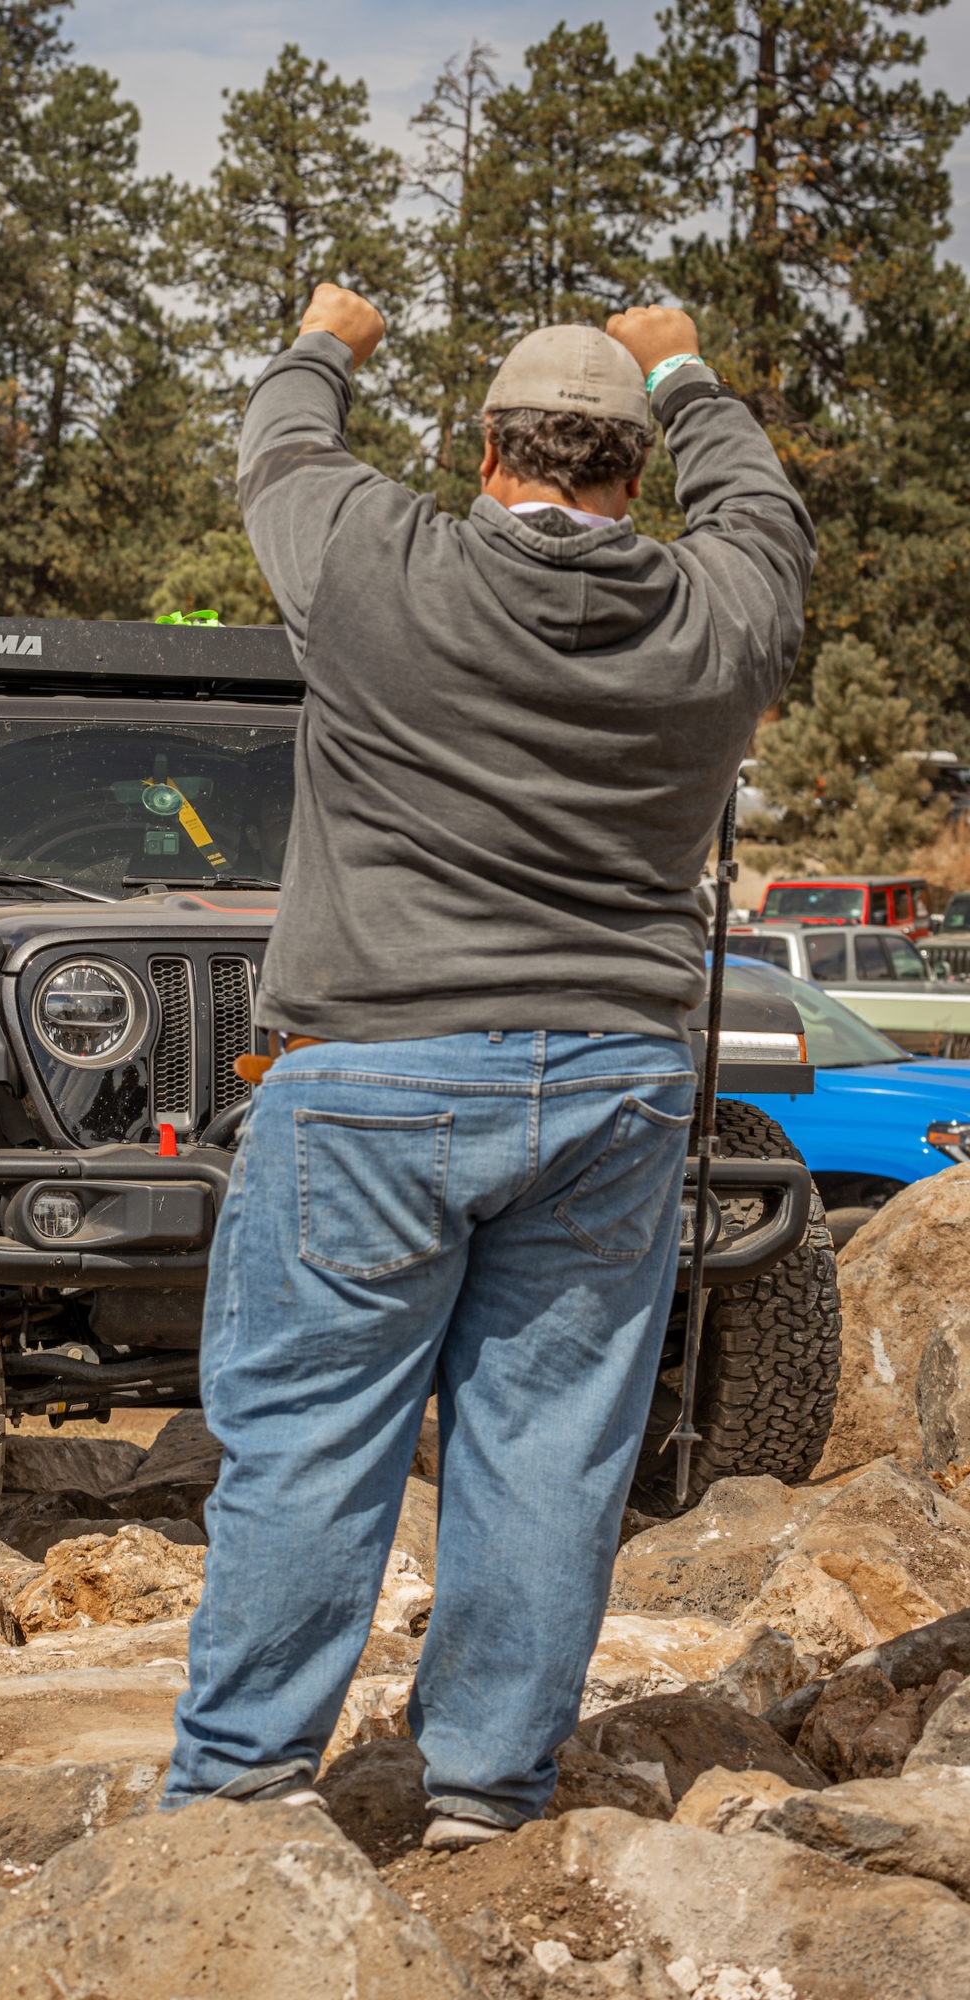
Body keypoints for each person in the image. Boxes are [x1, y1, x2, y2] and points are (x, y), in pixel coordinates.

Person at [161, 290, 815, 1846]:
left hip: (369, 1077)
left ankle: (239, 1796)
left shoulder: (376, 566)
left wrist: (330, 335)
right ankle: (486, 1796)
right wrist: (684, 362)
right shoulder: (719, 615)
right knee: (546, 1458)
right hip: (611, 1089)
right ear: (639, 477)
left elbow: (279, 442)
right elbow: (764, 510)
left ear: (485, 448)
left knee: (312, 1447)